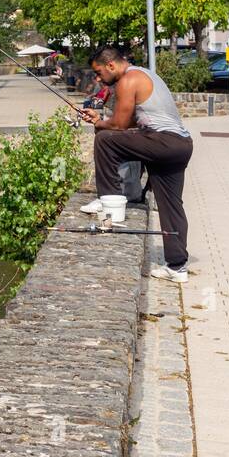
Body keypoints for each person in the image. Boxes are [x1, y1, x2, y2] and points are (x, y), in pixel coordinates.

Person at [80, 45, 194, 282]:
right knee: (171, 205)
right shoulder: (144, 73)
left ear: (111, 65)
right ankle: (177, 266)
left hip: (164, 141)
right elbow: (129, 121)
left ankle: (109, 201)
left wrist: (100, 124)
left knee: (105, 140)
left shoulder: (127, 80)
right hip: (180, 144)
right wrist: (101, 119)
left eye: (99, 73)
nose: (99, 79)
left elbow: (119, 127)